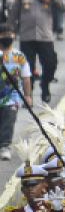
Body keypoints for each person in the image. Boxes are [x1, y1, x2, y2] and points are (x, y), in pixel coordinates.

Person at [10, 0, 65, 103]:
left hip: (45, 36)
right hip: (27, 36)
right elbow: (13, 14)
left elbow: (64, 7)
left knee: (50, 63)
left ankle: (45, 85)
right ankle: (28, 94)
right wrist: (11, 31)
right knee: (27, 67)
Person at [0, 25, 32, 160]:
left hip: (12, 97)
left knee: (9, 120)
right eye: (3, 34)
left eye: (9, 33)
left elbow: (26, 78)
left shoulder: (19, 56)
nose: (7, 36)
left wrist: (27, 96)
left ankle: (5, 146)